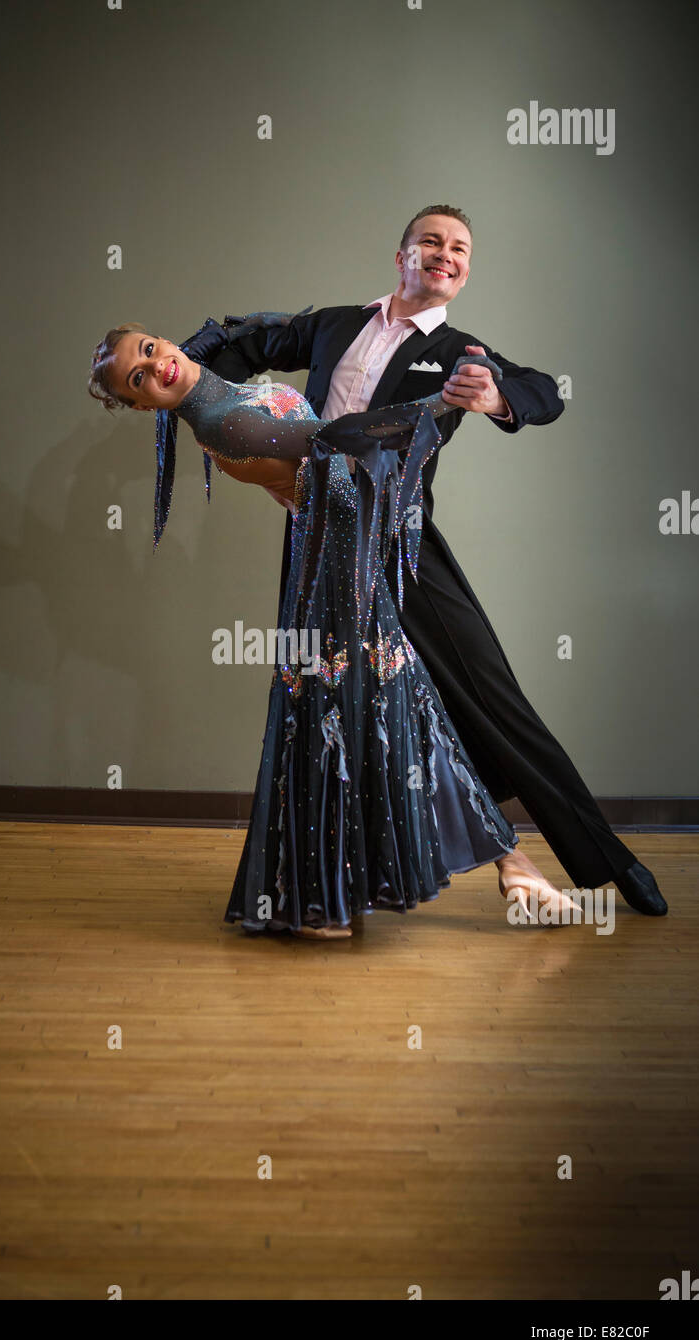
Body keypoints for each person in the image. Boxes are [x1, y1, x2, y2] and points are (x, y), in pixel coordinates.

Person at [203, 205, 668, 918]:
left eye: (459, 249)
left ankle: (609, 859)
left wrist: (498, 396)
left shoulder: (460, 350)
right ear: (402, 254)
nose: (445, 255)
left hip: (399, 545)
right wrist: (194, 396)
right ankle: (334, 883)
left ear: (465, 271)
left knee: (489, 699)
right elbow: (242, 343)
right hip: (318, 543)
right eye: (431, 241)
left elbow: (543, 391)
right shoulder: (333, 324)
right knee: (336, 707)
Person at [87, 320, 573, 938]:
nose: (158, 369)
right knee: (372, 717)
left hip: (349, 566)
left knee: (396, 713)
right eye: (139, 379)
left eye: (152, 349)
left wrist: (228, 330)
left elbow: (225, 340)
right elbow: (339, 437)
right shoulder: (224, 422)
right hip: (338, 583)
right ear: (139, 406)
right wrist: (443, 399)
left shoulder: (213, 386)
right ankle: (420, 881)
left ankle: (413, 882)